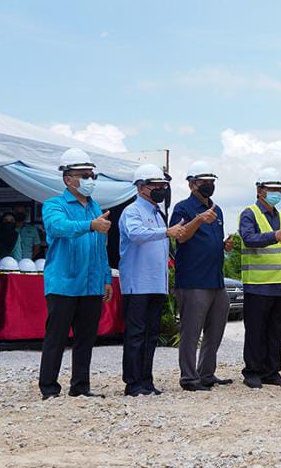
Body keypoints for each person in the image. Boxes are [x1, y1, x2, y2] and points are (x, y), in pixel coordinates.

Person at [39, 148, 113, 400]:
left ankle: (80, 386)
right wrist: (90, 225)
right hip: (63, 284)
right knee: (56, 338)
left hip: (92, 285)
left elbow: (100, 248)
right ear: (67, 178)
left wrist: (106, 278)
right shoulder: (53, 205)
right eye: (83, 175)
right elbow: (57, 227)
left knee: (85, 339)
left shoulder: (95, 208)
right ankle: (48, 387)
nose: (89, 180)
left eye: (92, 175)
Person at [119, 163, 184, 397]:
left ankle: (146, 380)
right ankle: (132, 382)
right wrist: (166, 232)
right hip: (137, 283)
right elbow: (136, 234)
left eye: (162, 184)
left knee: (151, 334)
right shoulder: (132, 211)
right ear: (140, 187)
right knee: (135, 334)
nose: (160, 188)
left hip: (156, 283)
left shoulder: (158, 213)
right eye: (154, 184)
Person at [170, 161, 235, 392]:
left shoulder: (217, 210)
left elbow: (210, 242)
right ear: (191, 184)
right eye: (204, 182)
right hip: (193, 281)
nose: (209, 185)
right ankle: (189, 378)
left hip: (216, 281)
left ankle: (207, 373)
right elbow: (181, 237)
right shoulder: (182, 208)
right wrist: (198, 219)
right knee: (191, 331)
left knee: (215, 329)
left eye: (211, 181)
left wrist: (225, 246)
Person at [238, 167, 281, 389]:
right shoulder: (249, 213)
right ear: (260, 190)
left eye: (279, 188)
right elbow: (249, 238)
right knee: (255, 331)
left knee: (275, 331)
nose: (277, 192)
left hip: (278, 286)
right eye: (273, 188)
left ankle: (272, 371)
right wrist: (274, 236)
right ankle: (252, 372)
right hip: (257, 285)